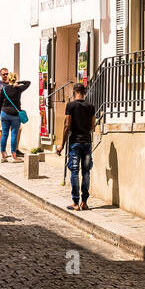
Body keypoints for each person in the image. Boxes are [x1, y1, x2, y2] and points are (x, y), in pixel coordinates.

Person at [56, 82, 96, 212]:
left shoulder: (71, 106)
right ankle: (84, 202)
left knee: (74, 171)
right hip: (87, 142)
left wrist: (62, 144)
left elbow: (67, 125)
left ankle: (75, 202)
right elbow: (92, 126)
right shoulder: (90, 106)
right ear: (84, 92)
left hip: (75, 143)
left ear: (74, 92)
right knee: (86, 172)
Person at [0, 72, 31, 163]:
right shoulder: (19, 88)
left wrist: (1, 112)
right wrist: (19, 82)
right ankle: (14, 156)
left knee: (4, 134)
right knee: (14, 135)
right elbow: (28, 83)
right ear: (15, 79)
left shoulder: (4, 89)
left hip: (5, 113)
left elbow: (0, 102)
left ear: (8, 79)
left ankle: (3, 156)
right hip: (15, 114)